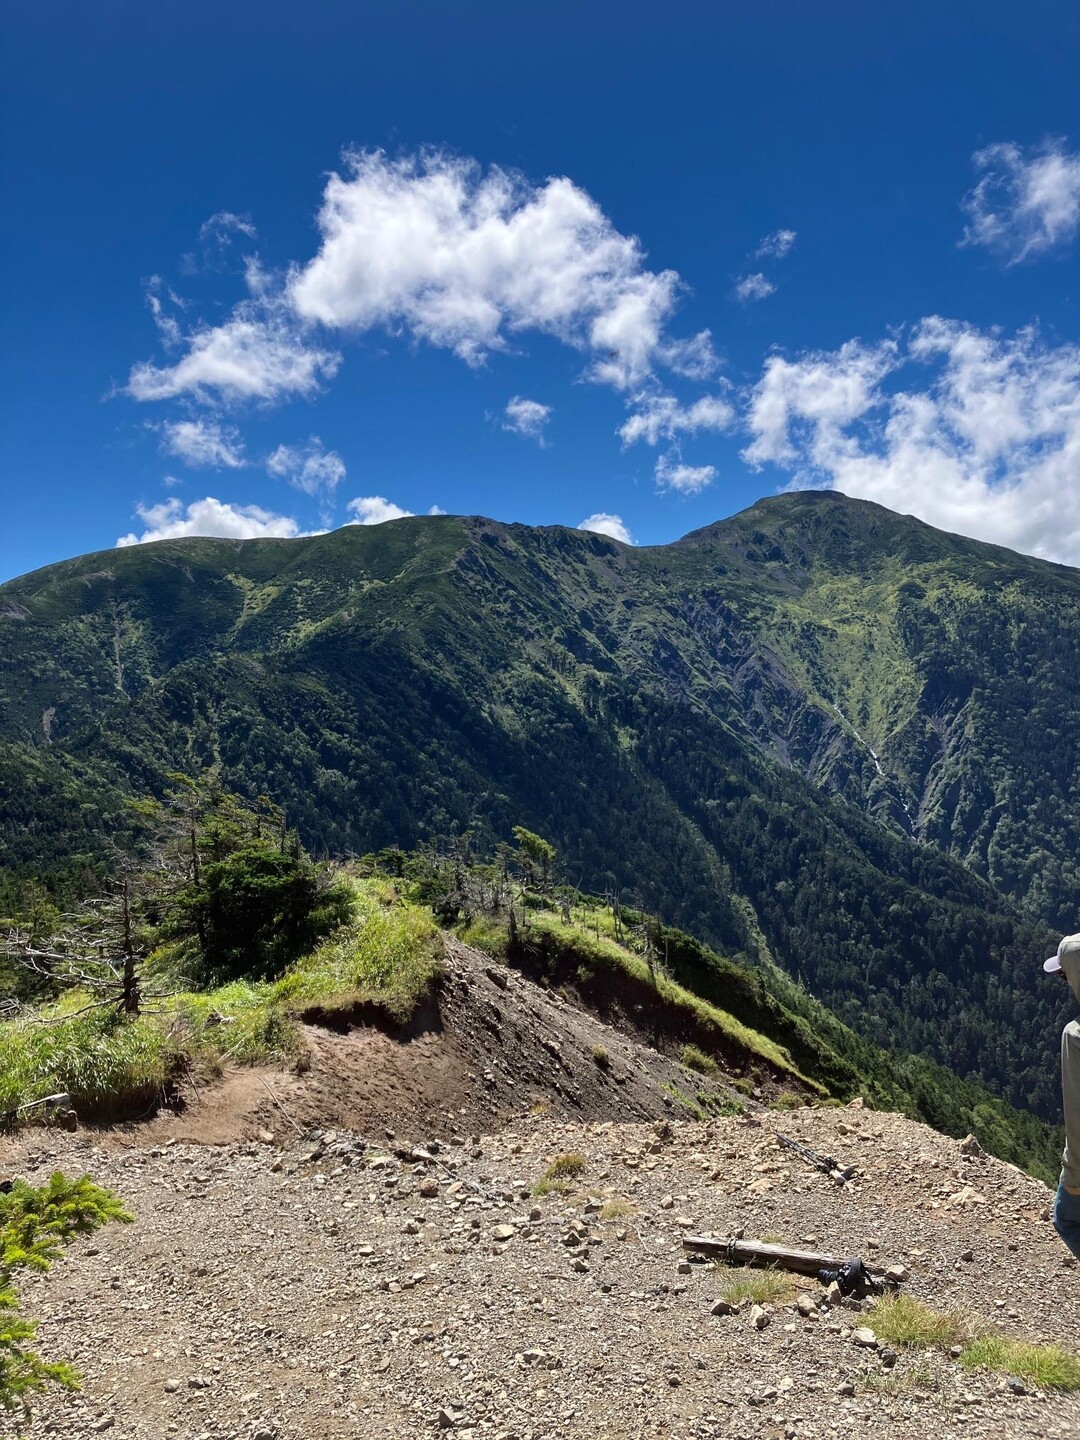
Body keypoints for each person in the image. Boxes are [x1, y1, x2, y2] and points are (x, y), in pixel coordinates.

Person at [1045, 934, 1080, 1260]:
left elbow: (1077, 1114)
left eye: (1065, 975)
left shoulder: (1075, 1035)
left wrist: (1074, 1173)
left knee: (1066, 1218)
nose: (1065, 982)